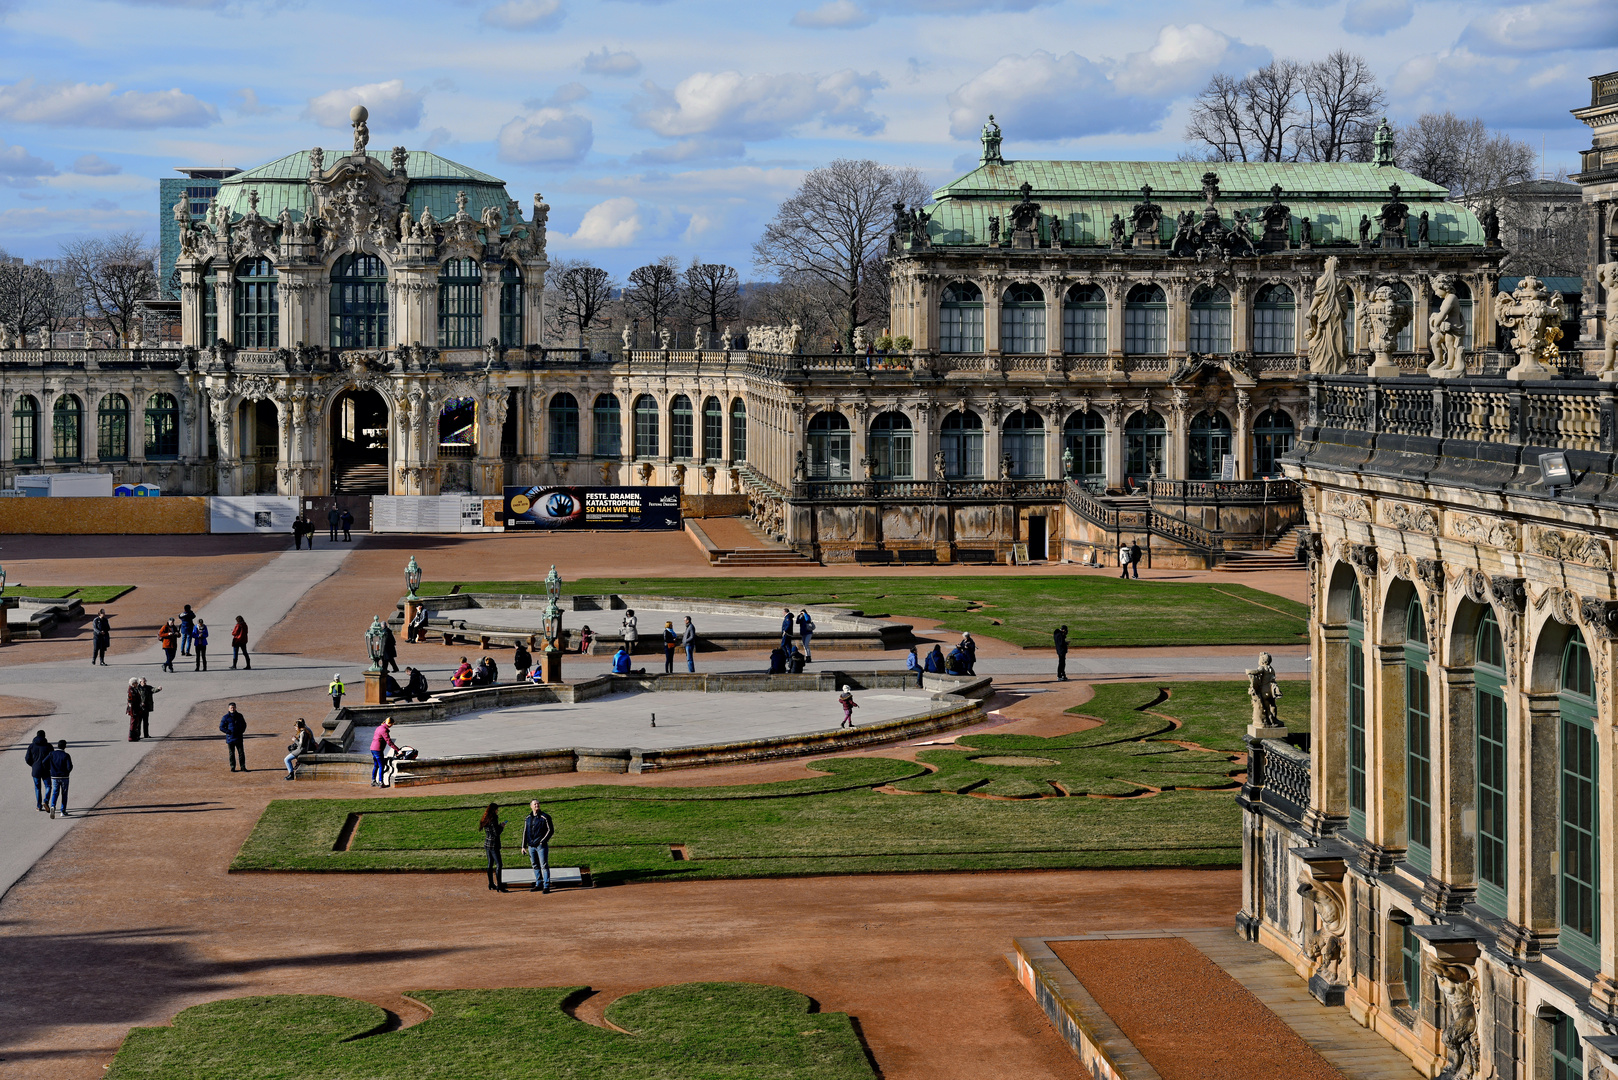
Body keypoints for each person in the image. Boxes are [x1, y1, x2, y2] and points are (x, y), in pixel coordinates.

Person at [521, 799, 555, 893]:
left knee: (544, 865)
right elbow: (525, 832)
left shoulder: (545, 817)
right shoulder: (528, 818)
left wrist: (542, 841)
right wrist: (523, 846)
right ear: (531, 806)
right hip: (531, 846)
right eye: (535, 804)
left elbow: (550, 830)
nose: (537, 805)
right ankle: (538, 884)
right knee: (535, 865)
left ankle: (546, 886)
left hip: (541, 846)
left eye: (538, 804)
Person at [480, 803, 507, 892]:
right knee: (499, 864)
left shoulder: (486, 818)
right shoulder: (493, 818)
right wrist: (501, 826)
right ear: (494, 810)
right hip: (494, 844)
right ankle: (499, 885)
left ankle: (491, 883)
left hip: (487, 843)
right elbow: (496, 833)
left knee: (490, 864)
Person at [25, 730, 51, 810]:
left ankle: (39, 806)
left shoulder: (31, 746)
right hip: (46, 769)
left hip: (36, 769)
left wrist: (33, 765)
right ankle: (46, 801)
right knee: (48, 786)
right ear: (44, 736)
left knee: (37, 787)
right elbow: (52, 757)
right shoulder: (48, 746)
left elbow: (27, 758)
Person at [46, 739, 72, 818]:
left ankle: (53, 806)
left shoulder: (52, 754)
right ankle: (63, 811)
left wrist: (50, 769)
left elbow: (44, 762)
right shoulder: (66, 755)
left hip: (54, 777)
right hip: (64, 777)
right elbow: (69, 766)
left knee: (55, 792)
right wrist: (67, 772)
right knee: (64, 794)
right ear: (64, 746)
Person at [370, 717, 398, 787]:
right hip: (378, 749)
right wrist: (398, 750)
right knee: (381, 766)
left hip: (373, 748)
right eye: (392, 724)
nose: (392, 726)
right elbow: (389, 742)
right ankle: (381, 782)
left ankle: (373, 781)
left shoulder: (379, 727)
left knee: (376, 765)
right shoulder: (384, 730)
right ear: (390, 723)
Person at [220, 703, 247, 771]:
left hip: (239, 738)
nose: (232, 709)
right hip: (230, 738)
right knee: (232, 754)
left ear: (235, 708)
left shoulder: (240, 716)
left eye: (233, 707)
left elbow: (244, 724)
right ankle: (232, 767)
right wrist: (228, 732)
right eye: (231, 708)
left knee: (241, 753)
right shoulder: (225, 717)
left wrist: (241, 731)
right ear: (228, 709)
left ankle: (243, 767)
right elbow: (221, 727)